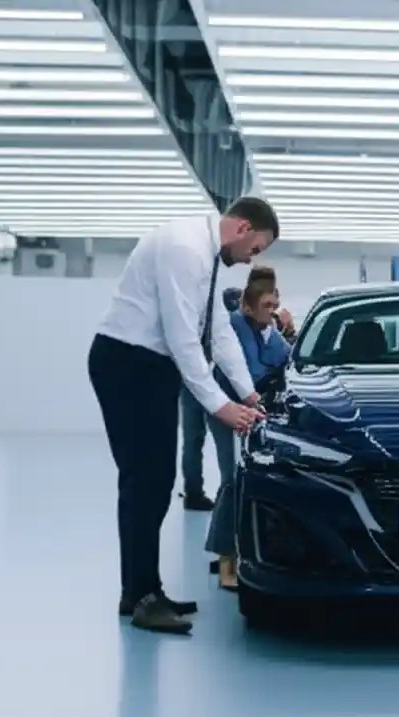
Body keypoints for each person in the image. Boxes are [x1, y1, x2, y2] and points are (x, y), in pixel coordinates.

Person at [88, 197, 279, 634]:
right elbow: (182, 339)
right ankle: (142, 597)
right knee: (144, 481)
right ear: (242, 228)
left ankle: (141, 590)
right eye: (257, 248)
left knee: (154, 482)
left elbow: (216, 330)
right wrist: (220, 406)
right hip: (128, 362)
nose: (254, 259)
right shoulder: (184, 249)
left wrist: (248, 393)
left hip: (151, 366)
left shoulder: (206, 256)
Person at [205, 266, 292, 591]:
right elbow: (254, 370)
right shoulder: (237, 325)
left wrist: (285, 333)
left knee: (243, 481)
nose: (271, 312)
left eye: (275, 305)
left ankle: (234, 551)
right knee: (231, 480)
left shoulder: (267, 330)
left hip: (251, 411)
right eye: (266, 307)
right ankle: (227, 563)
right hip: (225, 409)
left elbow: (289, 361)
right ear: (248, 306)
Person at [181, 287, 247, 512]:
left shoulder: (193, 318)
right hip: (213, 385)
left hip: (189, 383)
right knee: (224, 443)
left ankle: (194, 492)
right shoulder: (232, 327)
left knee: (192, 441)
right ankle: (227, 495)